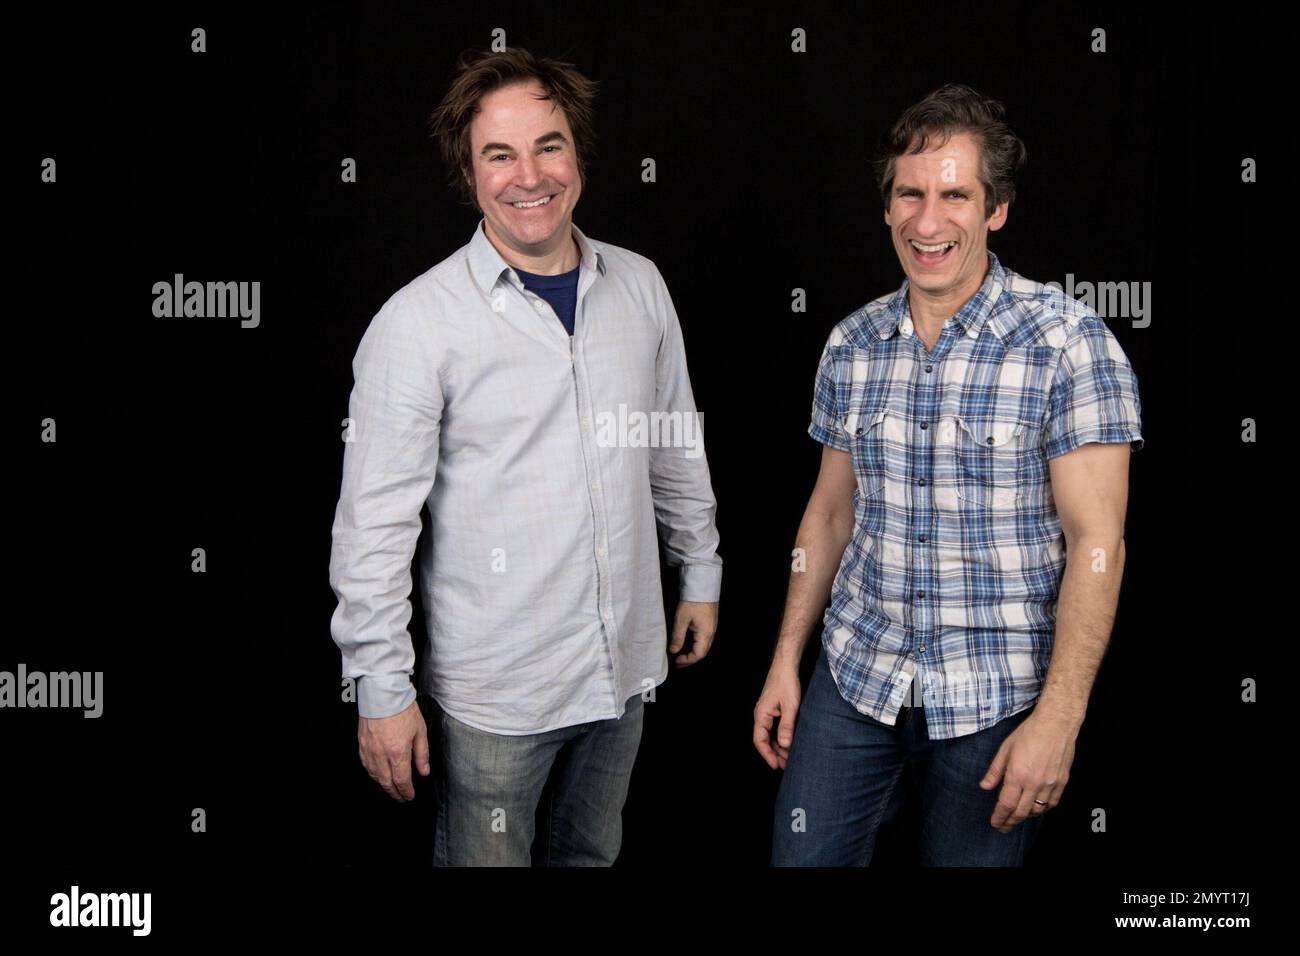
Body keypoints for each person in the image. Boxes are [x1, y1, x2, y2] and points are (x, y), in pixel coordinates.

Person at [328, 48, 722, 866]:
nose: (528, 175)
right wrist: (380, 690)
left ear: (577, 153)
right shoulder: (416, 325)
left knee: (592, 856)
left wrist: (702, 573)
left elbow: (674, 442)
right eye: (498, 154)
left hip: (624, 667)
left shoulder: (641, 285)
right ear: (467, 173)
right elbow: (373, 529)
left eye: (548, 145)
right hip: (498, 696)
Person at [754, 83, 1144, 866]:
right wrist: (784, 662)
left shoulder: (1069, 343)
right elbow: (829, 514)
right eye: (910, 194)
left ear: (995, 209)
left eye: (955, 195)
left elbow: (1098, 543)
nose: (928, 222)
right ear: (889, 205)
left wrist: (1059, 721)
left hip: (997, 696)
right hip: (856, 678)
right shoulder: (852, 343)